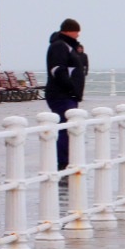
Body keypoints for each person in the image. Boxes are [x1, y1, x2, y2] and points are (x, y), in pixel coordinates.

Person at [45, 18, 88, 171]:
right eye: (77, 32)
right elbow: (57, 70)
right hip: (61, 95)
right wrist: (71, 88)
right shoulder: (59, 46)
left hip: (68, 95)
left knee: (69, 127)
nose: (78, 35)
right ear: (69, 30)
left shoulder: (68, 46)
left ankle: (68, 159)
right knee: (65, 127)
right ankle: (63, 162)